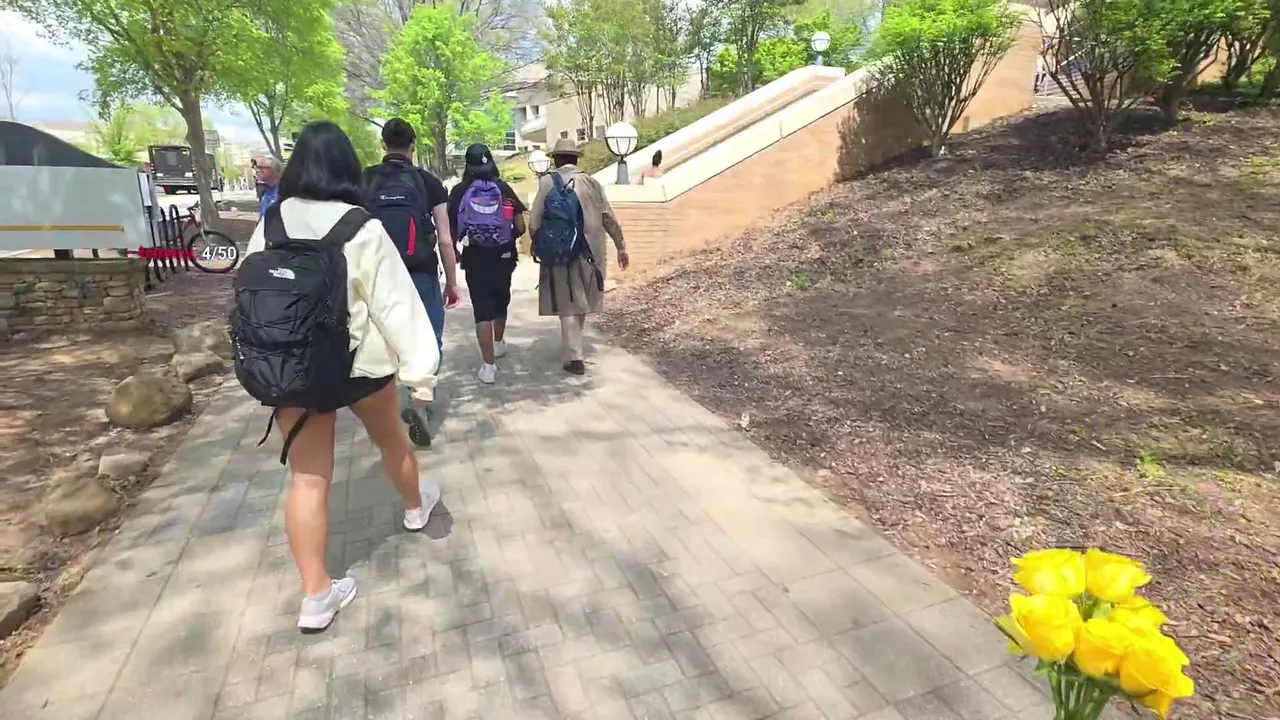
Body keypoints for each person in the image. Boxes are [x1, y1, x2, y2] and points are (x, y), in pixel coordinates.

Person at [234, 121, 441, 633]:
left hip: (293, 366)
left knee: (308, 479)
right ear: (349, 168)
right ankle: (416, 509)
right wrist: (421, 377)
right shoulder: (360, 226)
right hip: (360, 366)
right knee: (392, 443)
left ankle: (316, 596)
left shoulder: (273, 220)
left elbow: (251, 289)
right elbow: (396, 307)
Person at [363, 118, 459, 447]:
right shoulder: (429, 182)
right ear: (413, 146)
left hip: (378, 276)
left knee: (383, 343)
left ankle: (389, 409)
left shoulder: (365, 180)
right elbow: (445, 239)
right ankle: (421, 403)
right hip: (421, 273)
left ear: (382, 144)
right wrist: (452, 282)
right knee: (428, 340)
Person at [529, 137, 629, 375]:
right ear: (575, 159)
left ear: (556, 159)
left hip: (559, 250)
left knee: (567, 303)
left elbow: (534, 222)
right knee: (581, 300)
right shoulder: (592, 183)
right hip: (590, 252)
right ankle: (574, 349)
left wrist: (540, 244)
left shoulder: (547, 182)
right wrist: (621, 246)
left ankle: (574, 357)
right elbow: (608, 218)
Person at [446, 143, 527, 384]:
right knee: (501, 301)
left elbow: (451, 228)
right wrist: (506, 237)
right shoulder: (503, 188)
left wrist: (456, 251)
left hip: (475, 257)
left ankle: (488, 367)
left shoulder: (459, 191)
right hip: (504, 256)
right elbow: (520, 226)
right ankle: (499, 344)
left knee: (482, 310)